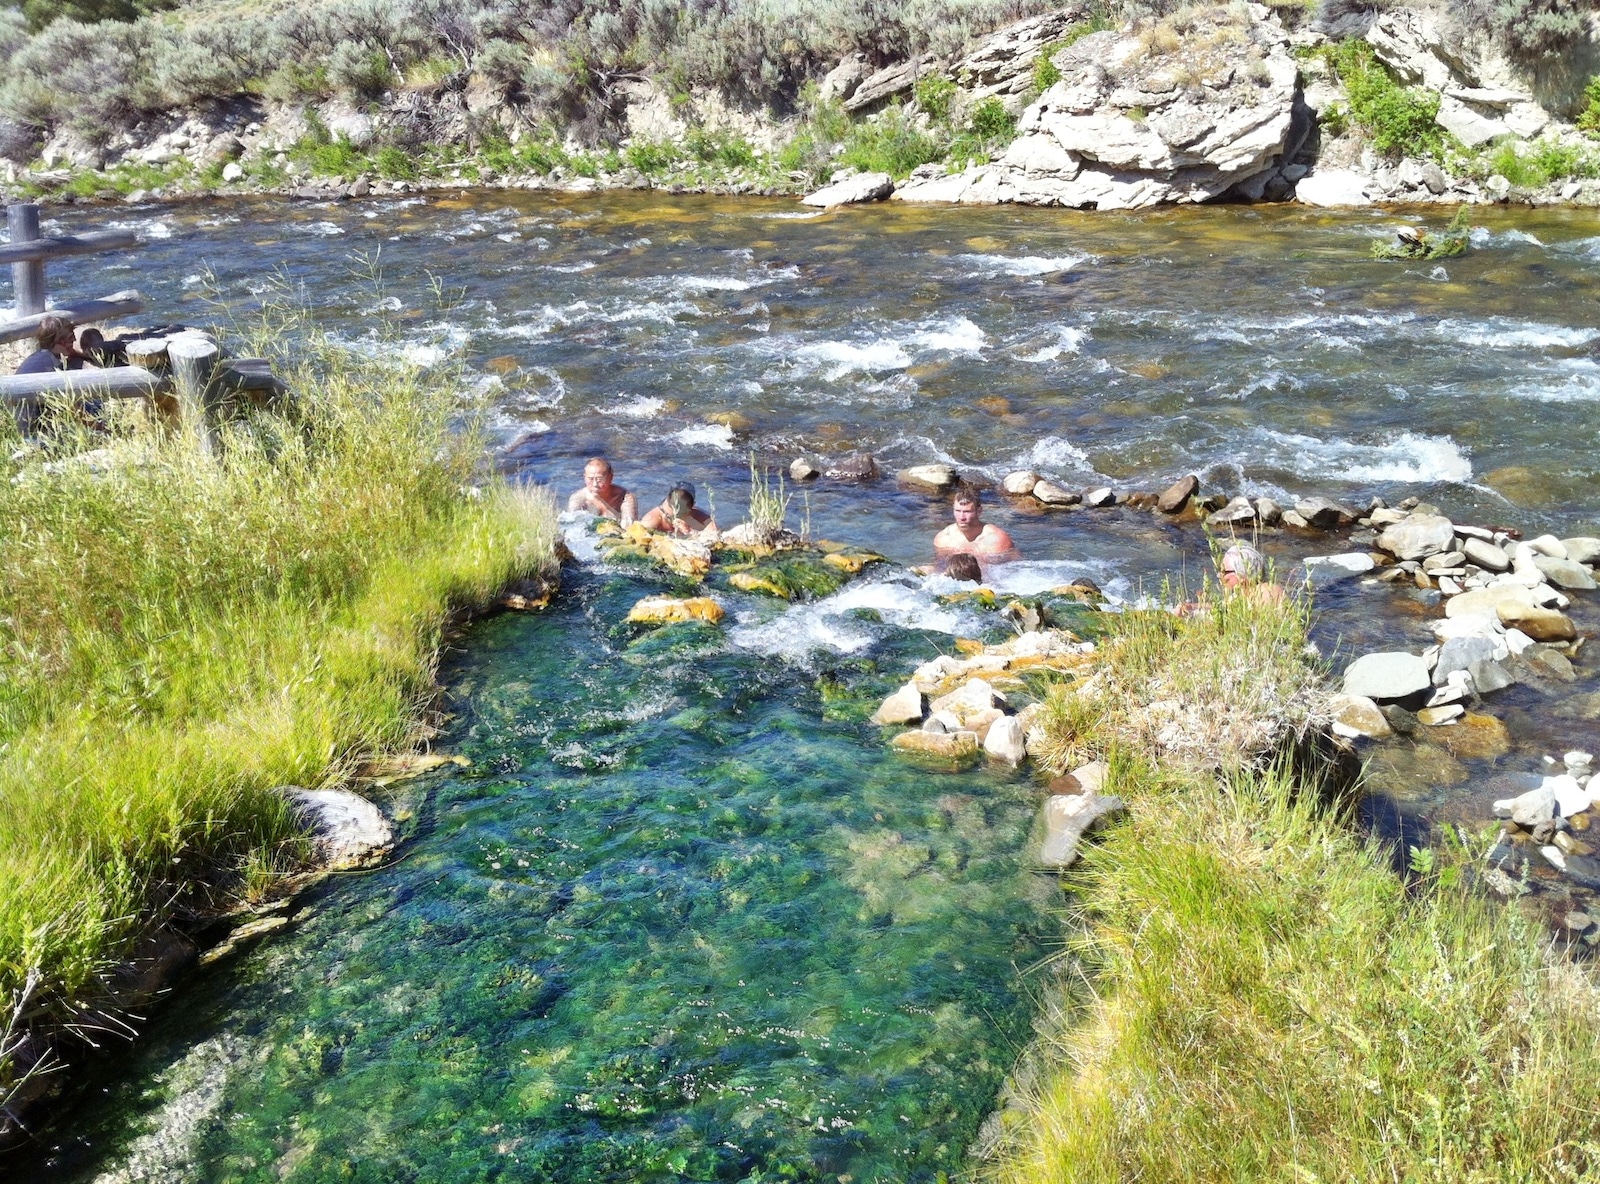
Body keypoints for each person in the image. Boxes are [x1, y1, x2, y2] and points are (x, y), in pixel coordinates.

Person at [933, 488, 1018, 565]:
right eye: (958, 511)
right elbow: (940, 567)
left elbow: (1014, 569)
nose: (962, 517)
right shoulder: (944, 538)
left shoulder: (997, 539)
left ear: (979, 511)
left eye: (967, 512)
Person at [567, 457, 637, 525]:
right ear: (584, 477)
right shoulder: (578, 498)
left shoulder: (625, 497)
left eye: (600, 480)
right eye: (590, 479)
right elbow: (572, 527)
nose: (595, 484)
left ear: (610, 477)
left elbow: (628, 526)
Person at [1216, 543, 1287, 607]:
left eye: (1224, 571)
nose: (1218, 575)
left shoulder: (1265, 594)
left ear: (1242, 575)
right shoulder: (1245, 594)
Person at [15, 315, 80, 375]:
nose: (74, 339)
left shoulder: (42, 357)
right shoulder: (48, 365)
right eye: (70, 337)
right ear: (57, 342)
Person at [640, 483, 713, 536]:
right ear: (667, 502)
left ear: (692, 507)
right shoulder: (650, 522)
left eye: (681, 512)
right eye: (669, 516)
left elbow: (717, 539)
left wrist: (689, 532)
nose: (676, 516)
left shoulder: (698, 517)